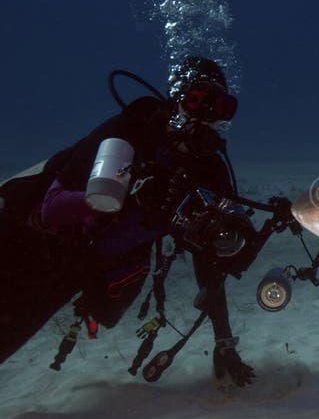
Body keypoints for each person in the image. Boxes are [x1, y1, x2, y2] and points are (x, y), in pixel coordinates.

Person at [0, 57, 254, 388]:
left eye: (220, 106)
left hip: (91, 267)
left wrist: (224, 342)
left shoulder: (209, 171)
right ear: (177, 98)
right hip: (33, 240)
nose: (205, 115)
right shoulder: (132, 130)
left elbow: (209, 263)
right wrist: (131, 198)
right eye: (196, 101)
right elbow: (52, 208)